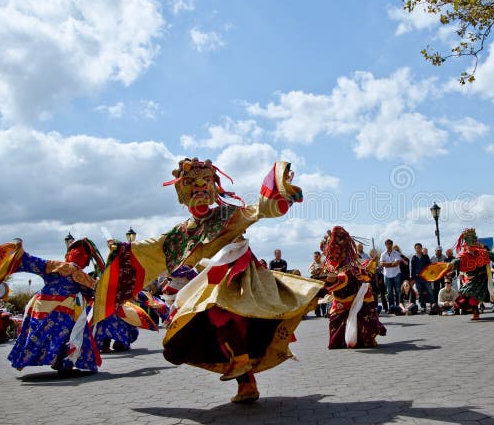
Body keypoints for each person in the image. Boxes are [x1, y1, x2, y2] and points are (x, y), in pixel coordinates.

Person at [93, 158, 323, 402]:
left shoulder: (227, 215)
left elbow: (259, 210)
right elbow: (155, 248)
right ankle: (246, 383)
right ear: (184, 193)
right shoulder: (182, 232)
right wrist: (125, 248)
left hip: (240, 275)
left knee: (222, 313)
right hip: (211, 282)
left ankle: (243, 365)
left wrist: (280, 193)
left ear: (213, 190)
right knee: (209, 322)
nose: (200, 192)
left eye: (205, 188)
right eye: (194, 188)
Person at [0, 238, 105, 374]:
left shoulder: (55, 265)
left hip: (42, 306)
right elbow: (95, 291)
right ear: (85, 259)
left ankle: (36, 359)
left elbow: (32, 262)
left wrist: (20, 254)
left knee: (40, 334)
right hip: (65, 310)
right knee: (68, 335)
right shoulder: (81, 276)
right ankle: (63, 363)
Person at [322, 226, 386, 348]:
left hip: (357, 293)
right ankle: (341, 340)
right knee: (337, 317)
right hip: (341, 295)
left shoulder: (351, 266)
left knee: (365, 315)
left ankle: (365, 339)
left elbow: (365, 274)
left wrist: (371, 264)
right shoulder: (332, 255)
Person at [453, 228, 494, 320]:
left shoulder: (483, 253)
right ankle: (476, 313)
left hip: (485, 278)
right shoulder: (463, 257)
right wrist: (449, 266)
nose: (470, 247)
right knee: (469, 295)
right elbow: (455, 263)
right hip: (474, 280)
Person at [380, 239, 402, 313]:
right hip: (387, 275)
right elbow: (382, 264)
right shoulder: (383, 254)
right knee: (389, 292)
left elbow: (396, 263)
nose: (389, 245)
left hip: (396, 274)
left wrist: (387, 264)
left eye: (390, 243)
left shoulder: (396, 253)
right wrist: (391, 264)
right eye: (387, 243)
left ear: (392, 244)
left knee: (397, 291)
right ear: (385, 245)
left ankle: (399, 307)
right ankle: (392, 307)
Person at [410, 243, 432, 312]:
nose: (418, 249)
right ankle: (423, 307)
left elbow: (429, 266)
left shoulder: (426, 256)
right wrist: (412, 278)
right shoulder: (413, 258)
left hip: (425, 277)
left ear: (421, 248)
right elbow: (411, 269)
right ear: (415, 249)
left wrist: (429, 276)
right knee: (420, 292)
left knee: (429, 291)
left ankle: (432, 305)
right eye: (417, 248)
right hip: (417, 278)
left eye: (419, 248)